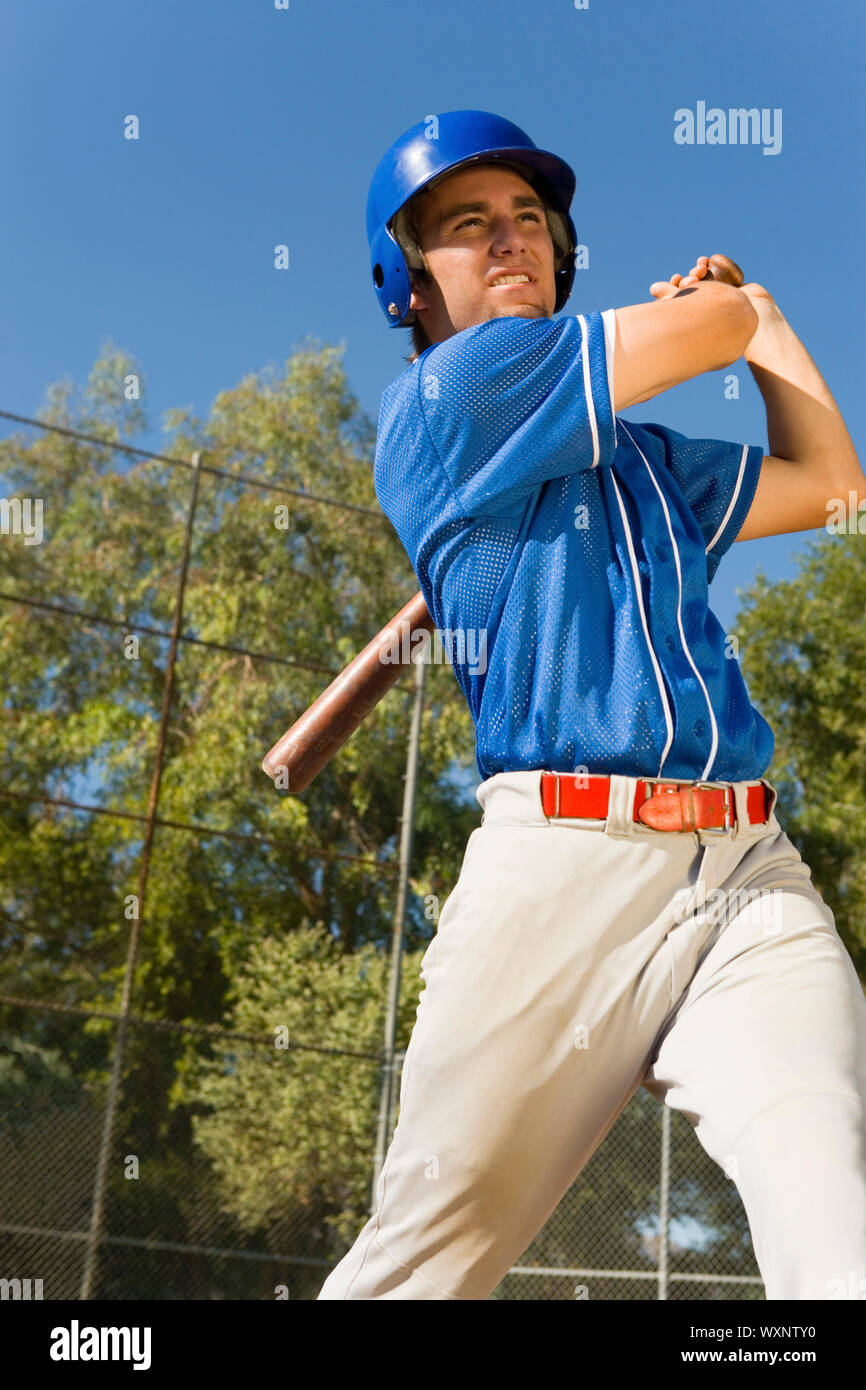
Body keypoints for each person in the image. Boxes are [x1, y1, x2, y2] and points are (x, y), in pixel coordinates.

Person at [317, 110, 866, 1300]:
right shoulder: (445, 399)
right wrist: (725, 311)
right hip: (559, 862)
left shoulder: (643, 458)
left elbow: (833, 488)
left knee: (830, 1200)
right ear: (406, 283)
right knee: (425, 1261)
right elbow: (703, 327)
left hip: (743, 871)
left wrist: (760, 323)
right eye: (465, 226)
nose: (509, 239)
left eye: (528, 219)